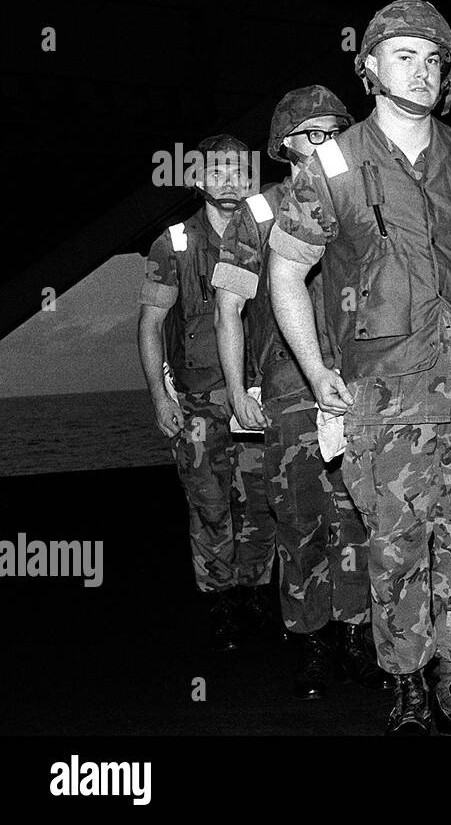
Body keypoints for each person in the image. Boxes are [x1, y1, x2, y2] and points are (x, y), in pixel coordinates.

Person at [267, 0, 451, 736]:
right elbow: (286, 271)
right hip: (386, 394)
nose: (422, 70)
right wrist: (317, 372)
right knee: (394, 547)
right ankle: (408, 687)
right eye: (405, 55)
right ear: (371, 67)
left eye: (434, 59)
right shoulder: (331, 166)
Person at [213, 85, 389, 700]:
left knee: (362, 517)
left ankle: (358, 633)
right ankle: (311, 637)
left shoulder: (366, 200)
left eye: (333, 130)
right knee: (298, 522)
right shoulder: (256, 214)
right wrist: (237, 388)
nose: (324, 142)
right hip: (289, 390)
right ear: (283, 144)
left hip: (364, 386)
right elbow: (228, 308)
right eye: (311, 133)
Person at [137, 134, 276, 651]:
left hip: (259, 394)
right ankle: (220, 600)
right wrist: (160, 399)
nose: (229, 180)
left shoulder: (273, 230)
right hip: (197, 401)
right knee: (211, 503)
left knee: (262, 502)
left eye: (239, 170)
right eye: (216, 170)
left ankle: (258, 590)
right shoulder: (173, 243)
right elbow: (151, 325)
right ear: (196, 179)